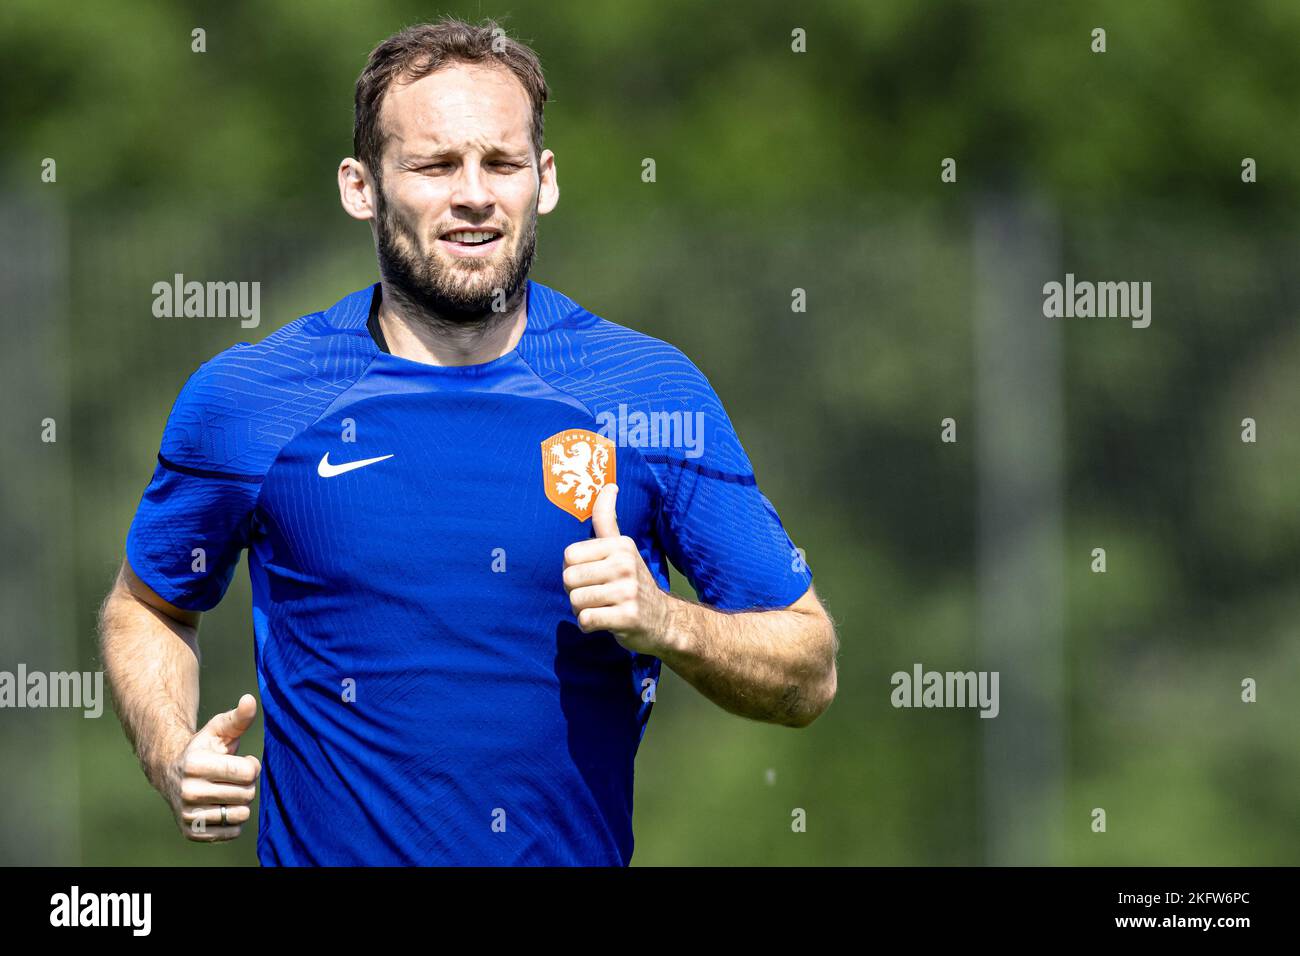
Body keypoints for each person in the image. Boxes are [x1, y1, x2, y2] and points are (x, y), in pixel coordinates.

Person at [99, 16, 838, 866]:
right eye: (436, 165)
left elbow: (806, 670)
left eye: (502, 162)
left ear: (545, 180)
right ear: (361, 187)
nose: (475, 193)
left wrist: (669, 622)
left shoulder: (647, 393)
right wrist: (170, 757)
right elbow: (148, 606)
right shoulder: (248, 399)